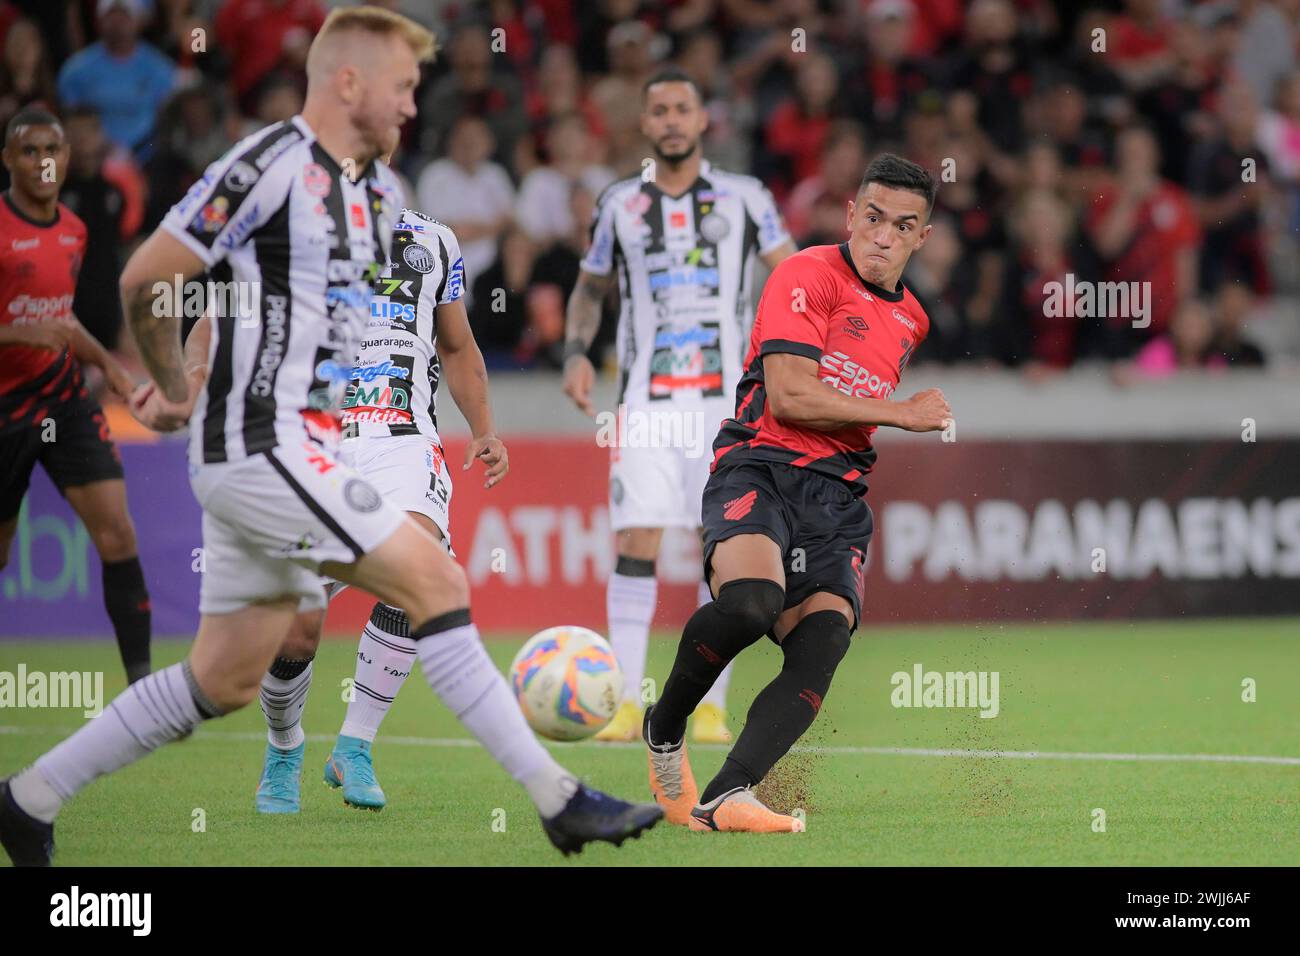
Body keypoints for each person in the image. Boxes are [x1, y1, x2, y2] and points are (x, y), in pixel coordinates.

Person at [0, 7, 660, 867]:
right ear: (348, 82)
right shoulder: (269, 164)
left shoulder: (377, 198)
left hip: (291, 448)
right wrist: (172, 386)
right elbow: (150, 276)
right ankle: (559, 799)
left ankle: (28, 799)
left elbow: (266, 300)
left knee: (224, 678)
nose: (413, 106)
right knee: (435, 578)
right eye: (403, 86)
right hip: (264, 444)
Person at [642, 153, 952, 833]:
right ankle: (664, 726)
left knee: (823, 642)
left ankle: (727, 793)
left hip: (837, 497)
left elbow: (852, 403)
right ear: (851, 214)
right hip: (760, 467)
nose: (883, 236)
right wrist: (904, 412)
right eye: (873, 217)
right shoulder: (805, 272)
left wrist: (886, 412)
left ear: (921, 238)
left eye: (903, 226)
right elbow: (788, 395)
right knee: (752, 604)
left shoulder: (914, 320)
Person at [563, 68, 796, 745]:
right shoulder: (618, 205)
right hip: (647, 403)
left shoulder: (747, 198)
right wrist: (577, 352)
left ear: (702, 121)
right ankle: (627, 704)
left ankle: (711, 707)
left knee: (721, 550)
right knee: (637, 539)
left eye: (681, 108)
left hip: (730, 407)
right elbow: (589, 287)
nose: (670, 119)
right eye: (658, 109)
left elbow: (791, 276)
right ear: (644, 124)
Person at [0, 107, 151, 686]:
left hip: (62, 399)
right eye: (30, 150)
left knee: (117, 530)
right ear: (9, 160)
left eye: (53, 150)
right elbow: (38, 324)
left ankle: (142, 689)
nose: (44, 161)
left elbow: (60, 321)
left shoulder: (74, 229)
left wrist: (110, 367)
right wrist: (18, 333)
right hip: (5, 408)